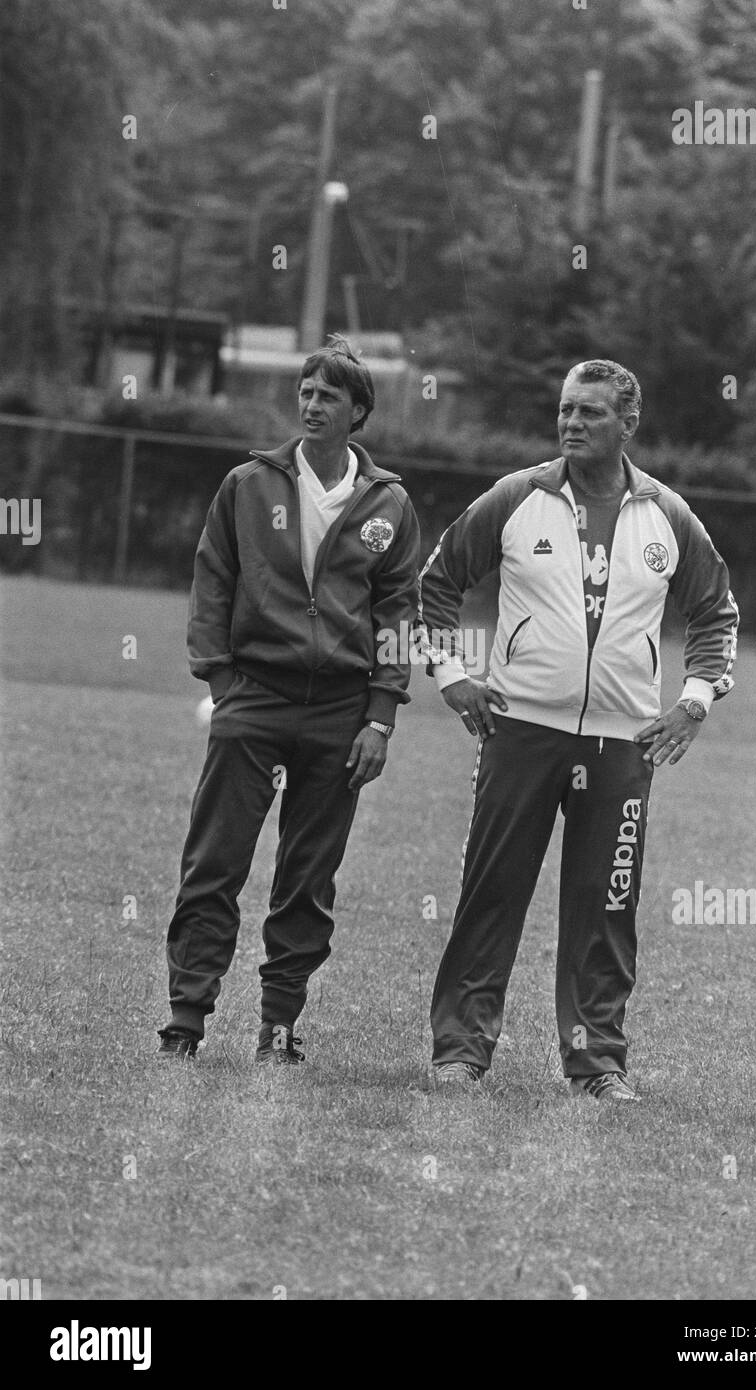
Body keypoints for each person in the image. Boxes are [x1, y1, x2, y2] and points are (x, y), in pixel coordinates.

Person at [417, 359, 739, 1101]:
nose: (571, 423)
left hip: (624, 745)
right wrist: (451, 672)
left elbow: (716, 612)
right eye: (566, 409)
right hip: (520, 731)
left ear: (628, 424)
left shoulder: (668, 516)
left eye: (590, 413)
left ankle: (596, 1065)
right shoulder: (515, 498)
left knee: (607, 907)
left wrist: (693, 699)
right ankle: (461, 1051)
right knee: (492, 892)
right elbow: (436, 585)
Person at [157, 336, 420, 1063]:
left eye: (327, 395)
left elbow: (400, 612)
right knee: (215, 864)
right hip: (254, 696)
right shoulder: (248, 483)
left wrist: (382, 714)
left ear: (357, 411)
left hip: (342, 714)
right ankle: (185, 1020)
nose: (310, 404)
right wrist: (218, 679)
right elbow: (213, 578)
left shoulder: (389, 503)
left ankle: (278, 1025)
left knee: (308, 880)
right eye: (305, 391)